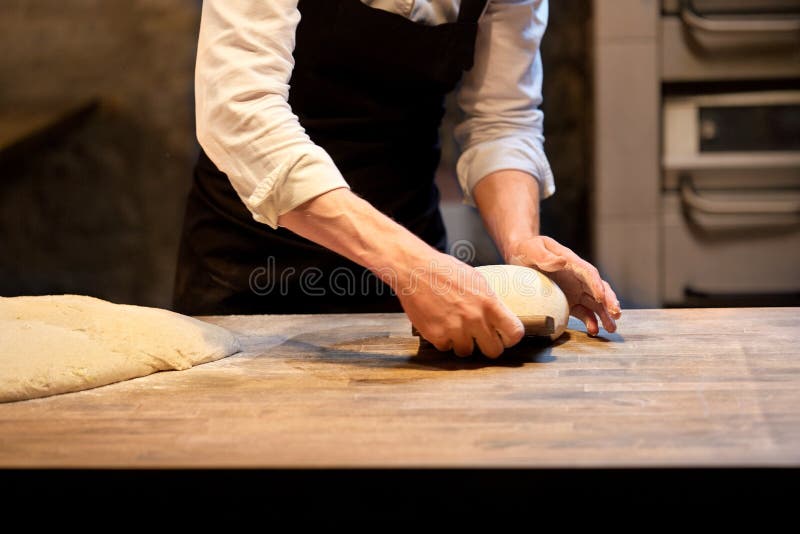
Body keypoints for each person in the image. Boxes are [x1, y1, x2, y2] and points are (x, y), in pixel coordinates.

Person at [173, 0, 621, 358]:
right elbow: (239, 113)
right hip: (250, 264)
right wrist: (406, 264)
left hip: (415, 266)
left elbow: (501, 121)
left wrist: (520, 241)